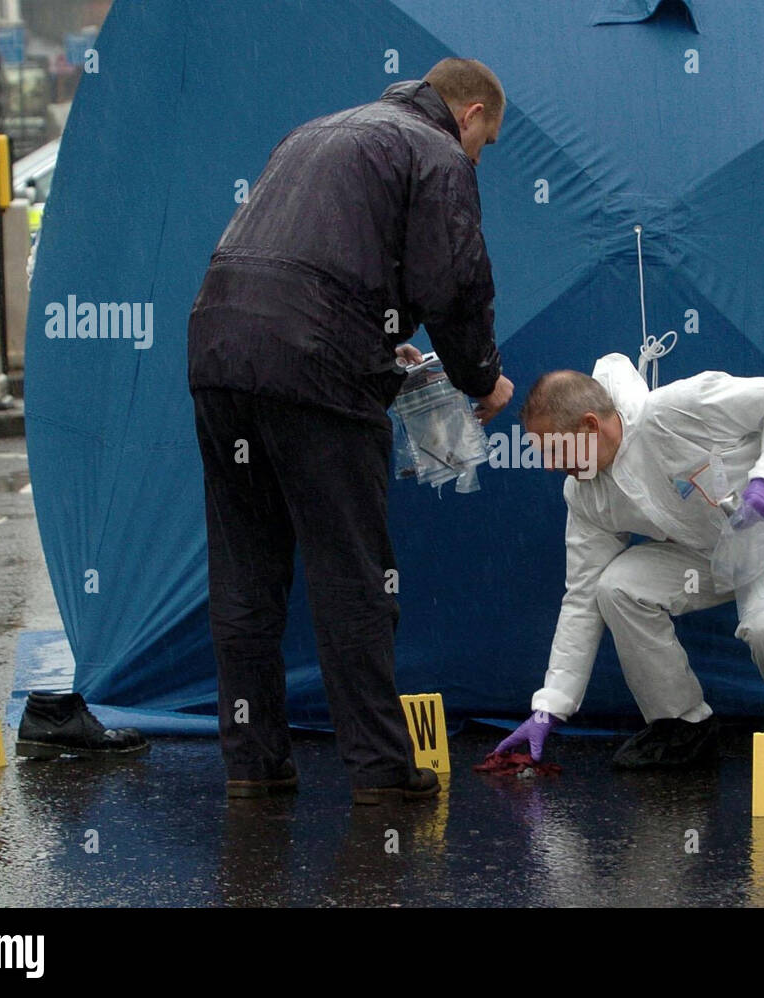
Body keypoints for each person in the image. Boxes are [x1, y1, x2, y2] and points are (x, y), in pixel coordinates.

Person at [187, 58, 513, 803]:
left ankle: (254, 768)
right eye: (485, 143)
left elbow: (310, 263)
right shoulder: (435, 152)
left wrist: (377, 333)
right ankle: (379, 773)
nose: (479, 157)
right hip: (315, 369)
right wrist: (479, 377)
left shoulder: (314, 133)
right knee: (354, 577)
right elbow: (454, 282)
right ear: (468, 116)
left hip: (218, 348)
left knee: (244, 576)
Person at [497, 353, 764, 773]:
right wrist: (551, 703)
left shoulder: (673, 410)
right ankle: (681, 726)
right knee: (616, 587)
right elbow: (582, 596)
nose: (552, 466)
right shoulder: (586, 494)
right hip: (712, 552)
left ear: (590, 425)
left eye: (555, 450)